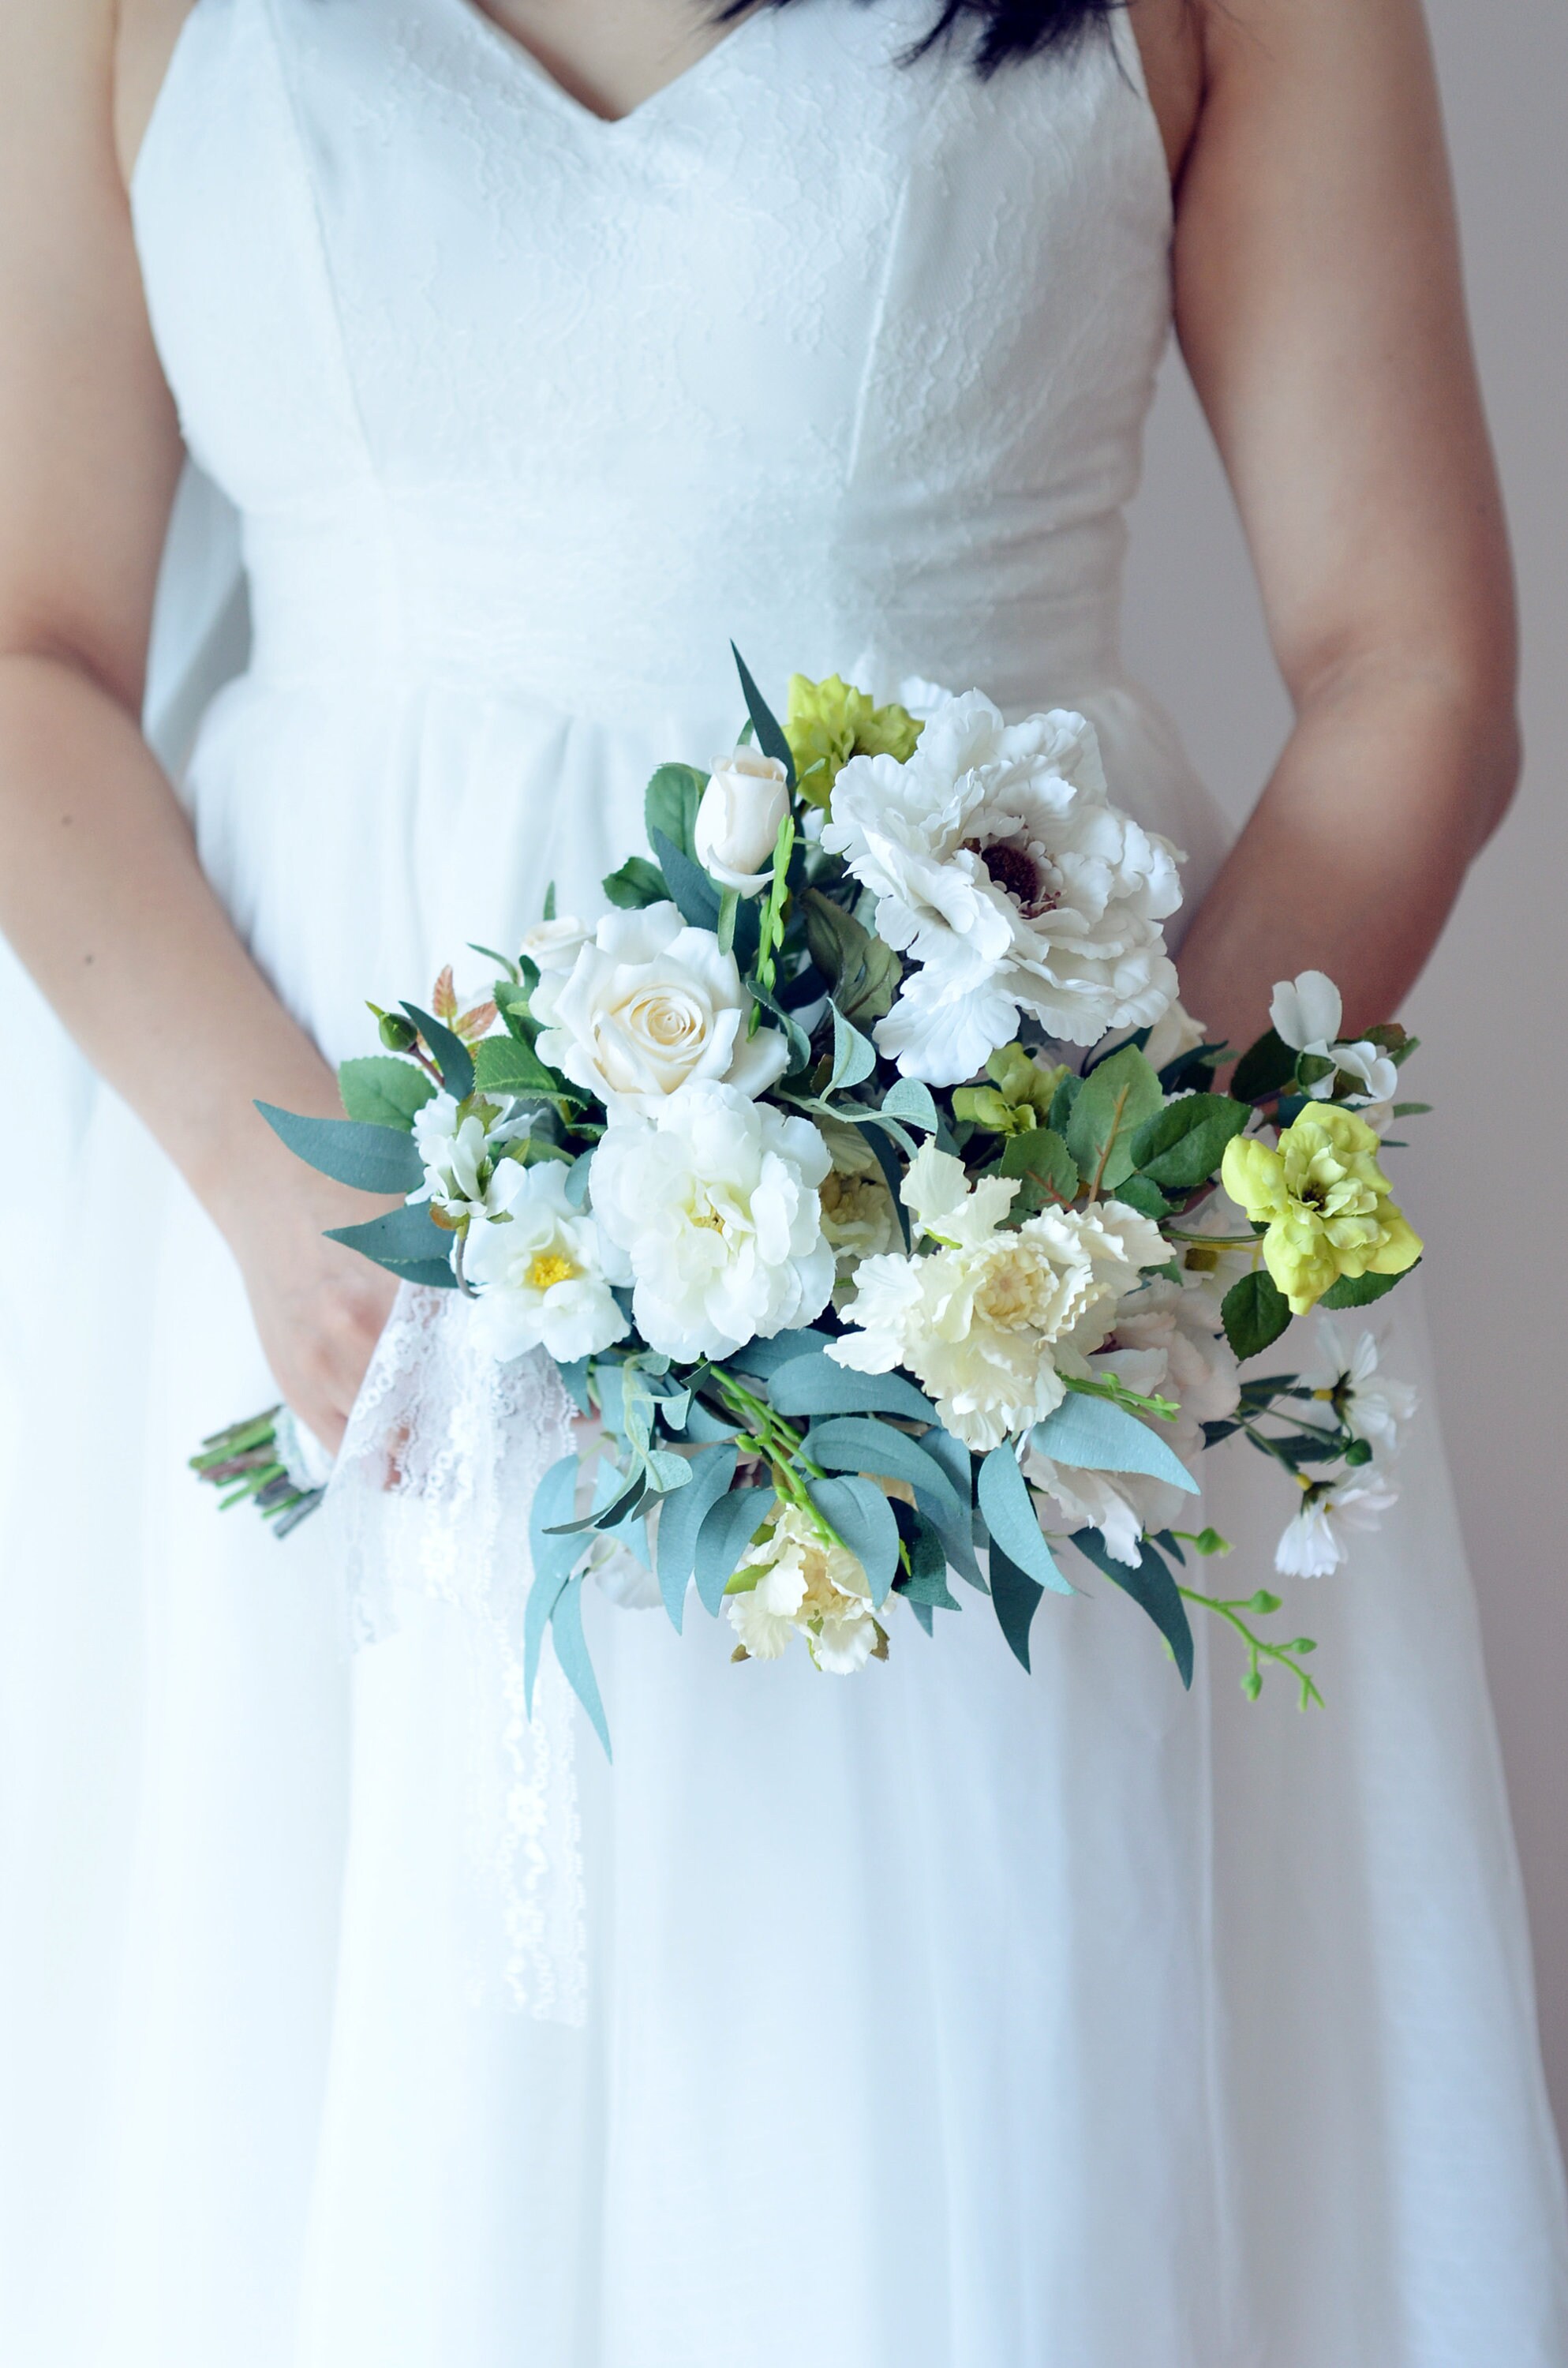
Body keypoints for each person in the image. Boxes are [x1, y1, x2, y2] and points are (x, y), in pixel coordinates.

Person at [1, 1, 1563, 2361]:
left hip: (984, 1242)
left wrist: (1069, 1223)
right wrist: (287, 1197)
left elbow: (1409, 669)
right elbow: (23, 644)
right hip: (298, 1205)